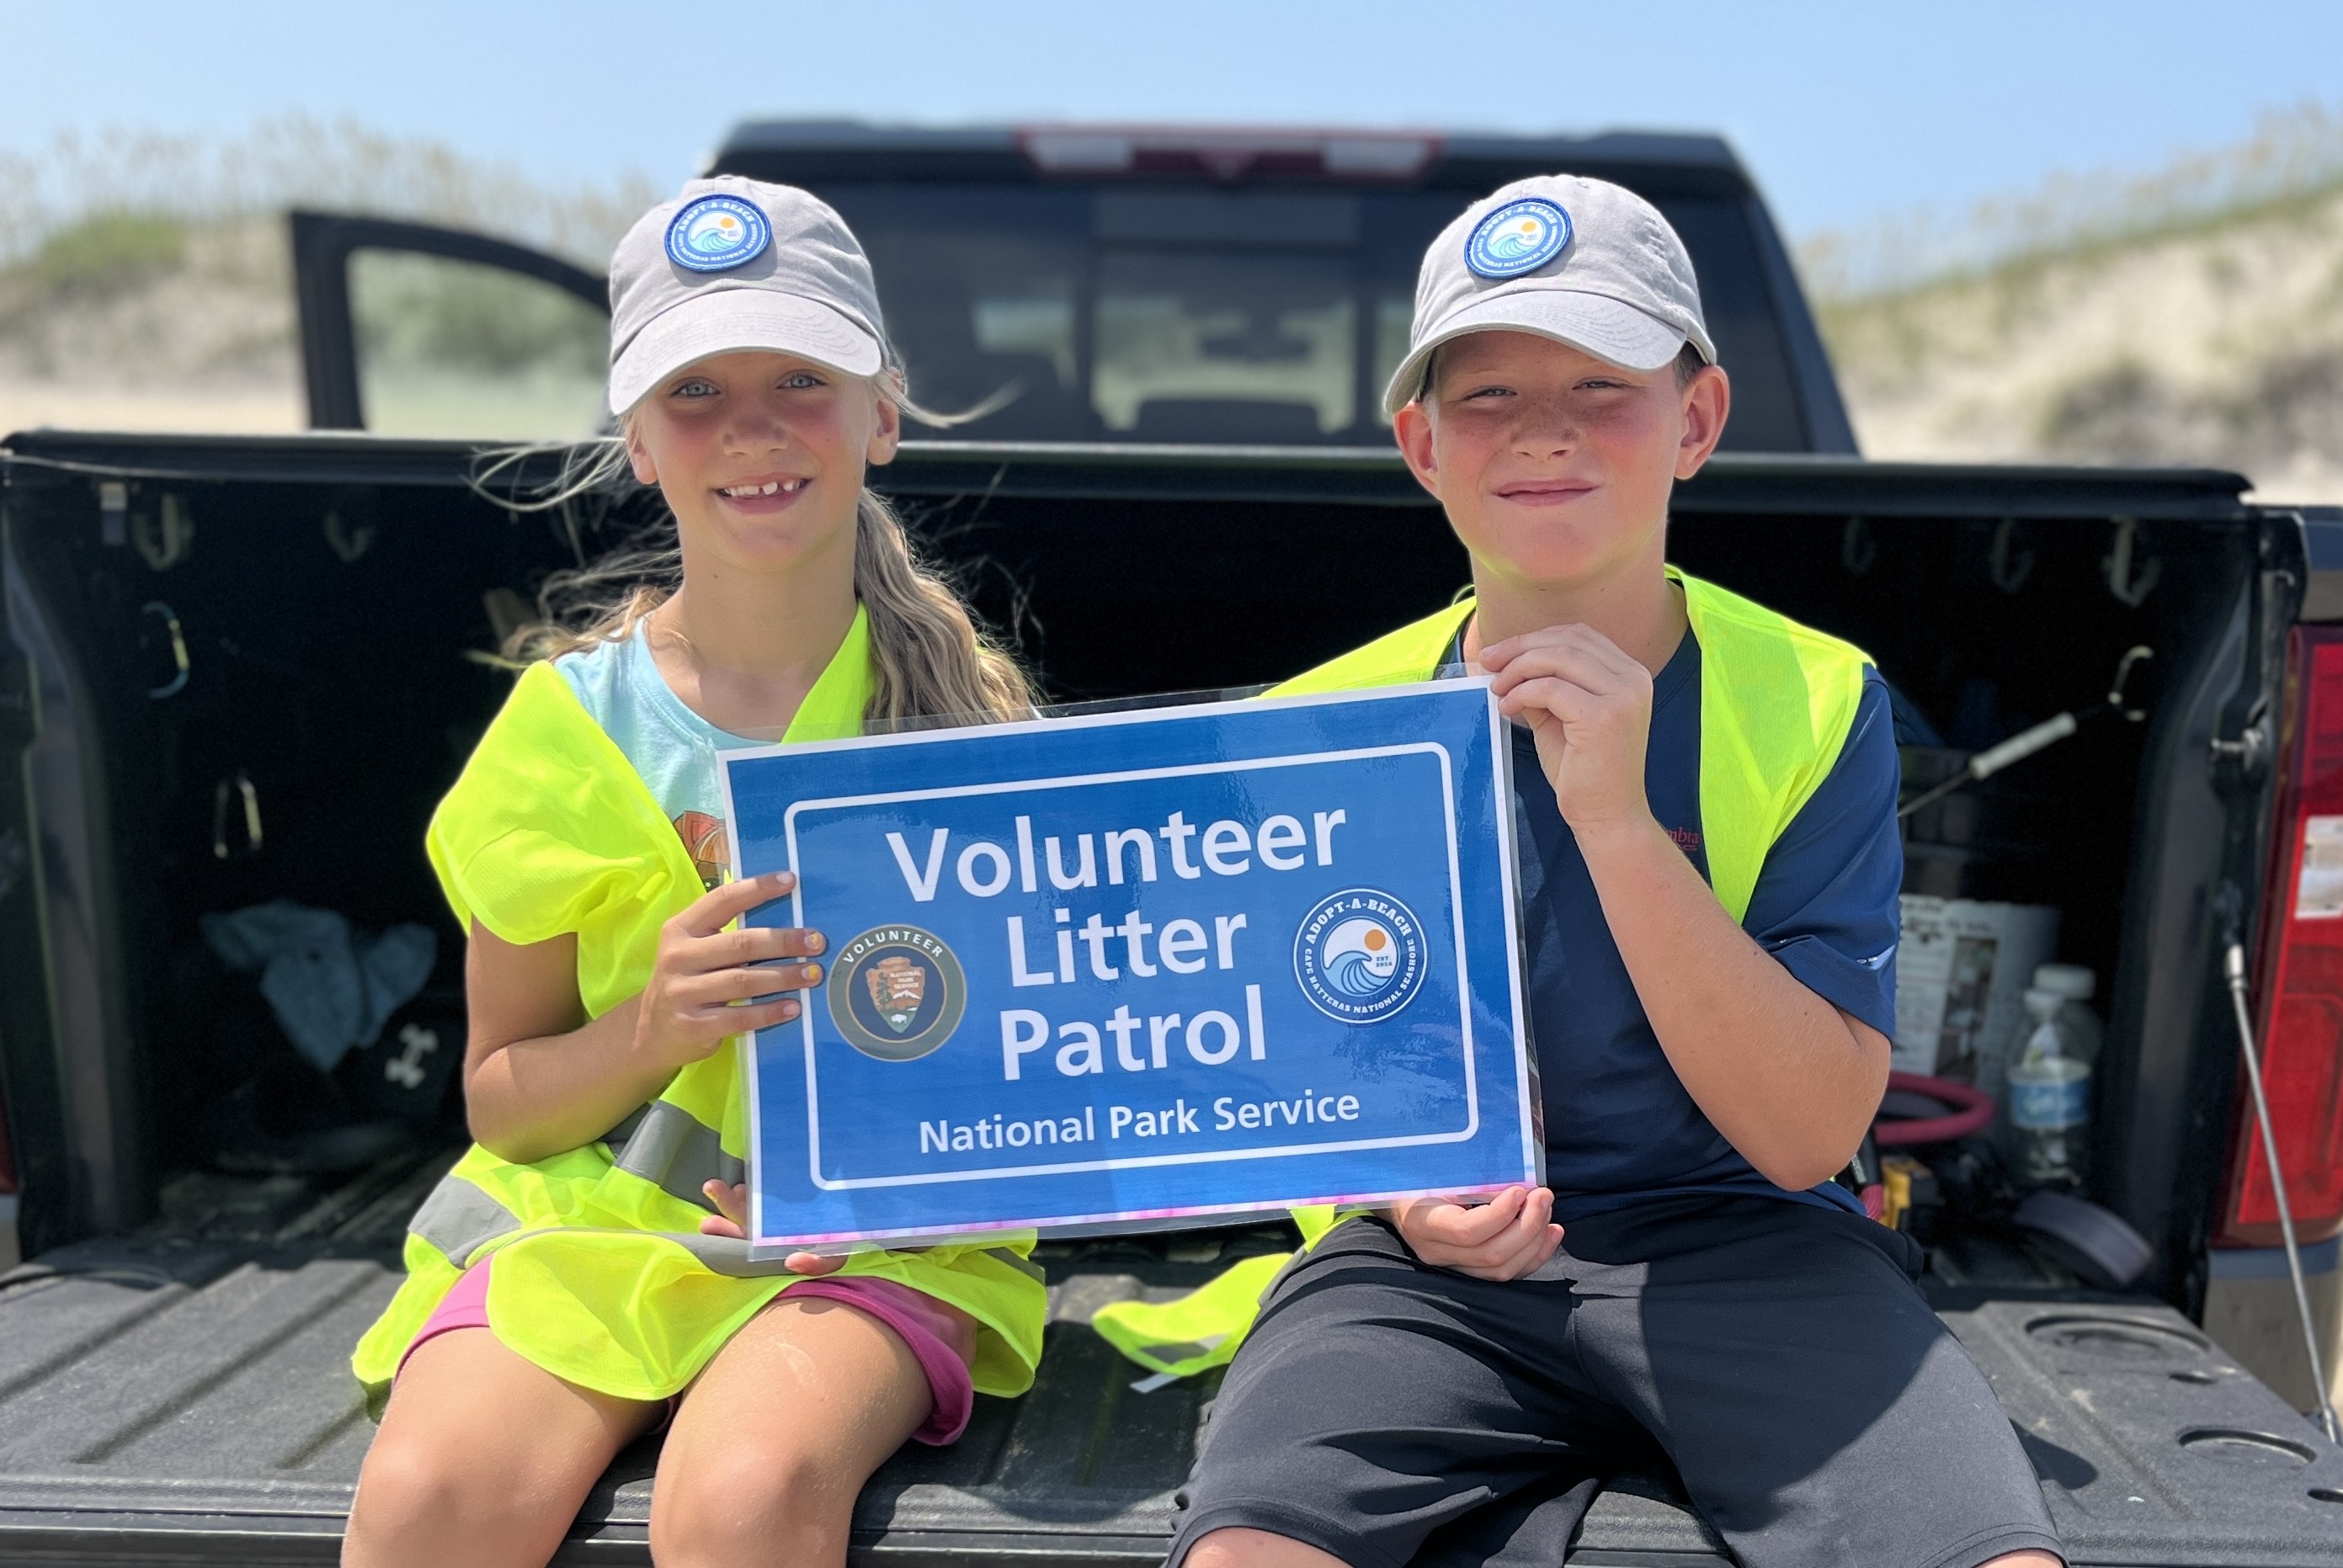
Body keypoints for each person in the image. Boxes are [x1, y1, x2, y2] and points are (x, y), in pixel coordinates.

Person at [1168, 177, 2064, 1568]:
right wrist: (1402, 1194)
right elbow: (1281, 1069)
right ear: (1420, 443)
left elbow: (1807, 1137)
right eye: (1488, 397)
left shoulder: (1815, 697)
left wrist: (1622, 824)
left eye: (1603, 383)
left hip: (1754, 1245)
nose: (1543, 432)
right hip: (1424, 1280)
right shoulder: (1313, 722)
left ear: (1696, 420)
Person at [341, 178, 1047, 1568]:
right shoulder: (561, 735)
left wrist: (872, 1197)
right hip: (590, 1230)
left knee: (742, 1496)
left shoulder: (974, 737)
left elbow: (1053, 1086)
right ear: (640, 445)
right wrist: (654, 1029)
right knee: (429, 1495)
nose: (754, 428)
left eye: (800, 376)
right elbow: (504, 1100)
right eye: (696, 392)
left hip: (878, 1250)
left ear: (881, 414)